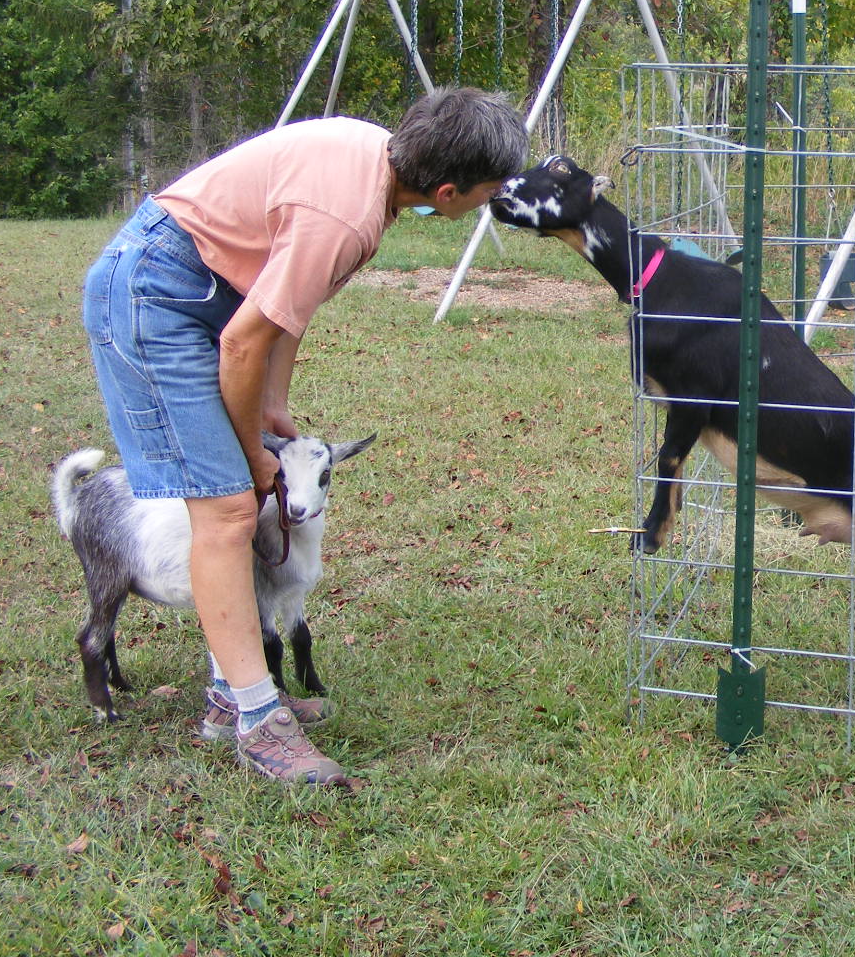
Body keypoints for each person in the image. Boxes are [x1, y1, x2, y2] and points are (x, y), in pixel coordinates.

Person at [81, 86, 527, 786]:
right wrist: (254, 452)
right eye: (491, 192)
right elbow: (242, 343)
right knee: (228, 510)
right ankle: (258, 722)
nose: (491, 202)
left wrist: (274, 406)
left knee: (234, 499)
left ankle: (231, 698)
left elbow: (286, 302)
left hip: (200, 289)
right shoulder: (346, 218)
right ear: (447, 192)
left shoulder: (372, 162)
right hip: (155, 296)